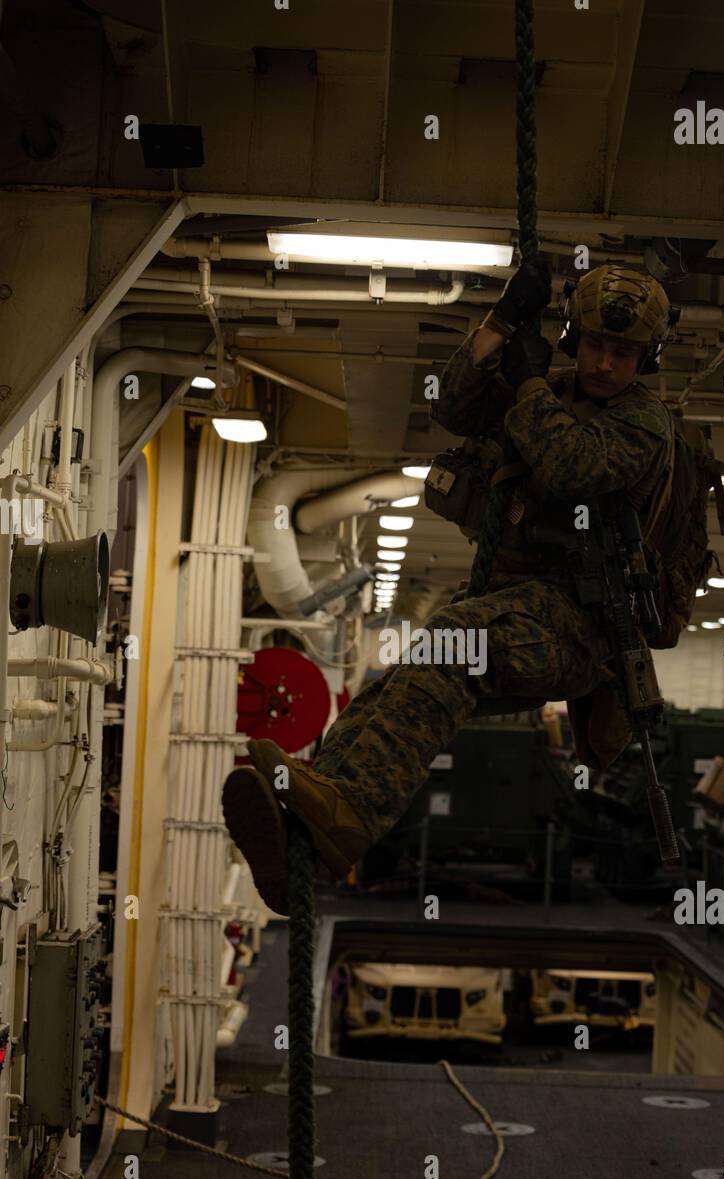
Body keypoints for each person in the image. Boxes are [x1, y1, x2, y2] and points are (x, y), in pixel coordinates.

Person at [222, 261, 678, 913]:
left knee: (452, 644)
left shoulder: (643, 423)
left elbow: (571, 466)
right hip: (519, 608)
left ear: (647, 358)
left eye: (625, 353)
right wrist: (499, 327)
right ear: (577, 339)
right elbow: (454, 405)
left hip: (581, 627)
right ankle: (316, 812)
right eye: (598, 346)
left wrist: (526, 384)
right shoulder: (550, 391)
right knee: (406, 678)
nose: (606, 365)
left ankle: (347, 814)